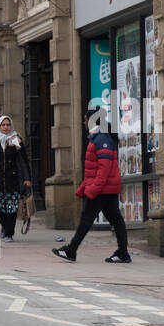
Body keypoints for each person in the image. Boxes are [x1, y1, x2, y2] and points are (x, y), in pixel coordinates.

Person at [53, 109, 130, 264]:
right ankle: (123, 253)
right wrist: (83, 187)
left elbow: (104, 168)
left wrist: (93, 189)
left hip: (102, 189)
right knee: (116, 220)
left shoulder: (101, 139)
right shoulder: (98, 137)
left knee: (86, 219)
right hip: (105, 188)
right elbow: (93, 170)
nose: (84, 123)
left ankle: (71, 250)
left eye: (85, 119)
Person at [0, 115, 31, 242]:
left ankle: (9, 233)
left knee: (11, 209)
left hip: (14, 180)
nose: (6, 127)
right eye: (3, 125)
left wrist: (27, 178)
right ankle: (4, 227)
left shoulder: (17, 140)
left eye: (8, 125)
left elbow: (23, 161)